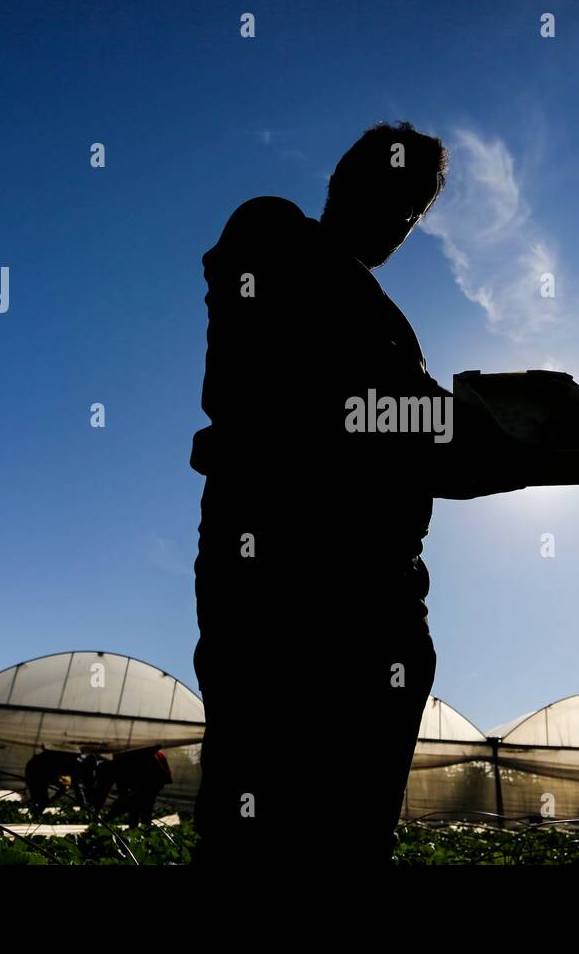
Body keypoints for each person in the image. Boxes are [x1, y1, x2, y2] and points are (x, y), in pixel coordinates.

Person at [189, 121, 529, 866]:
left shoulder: (388, 323)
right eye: (387, 196)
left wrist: (520, 447)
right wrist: (469, 428)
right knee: (258, 811)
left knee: (353, 828)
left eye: (413, 213)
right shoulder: (272, 234)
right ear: (341, 184)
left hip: (383, 594)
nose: (398, 223)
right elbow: (322, 399)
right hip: (281, 575)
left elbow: (418, 443)